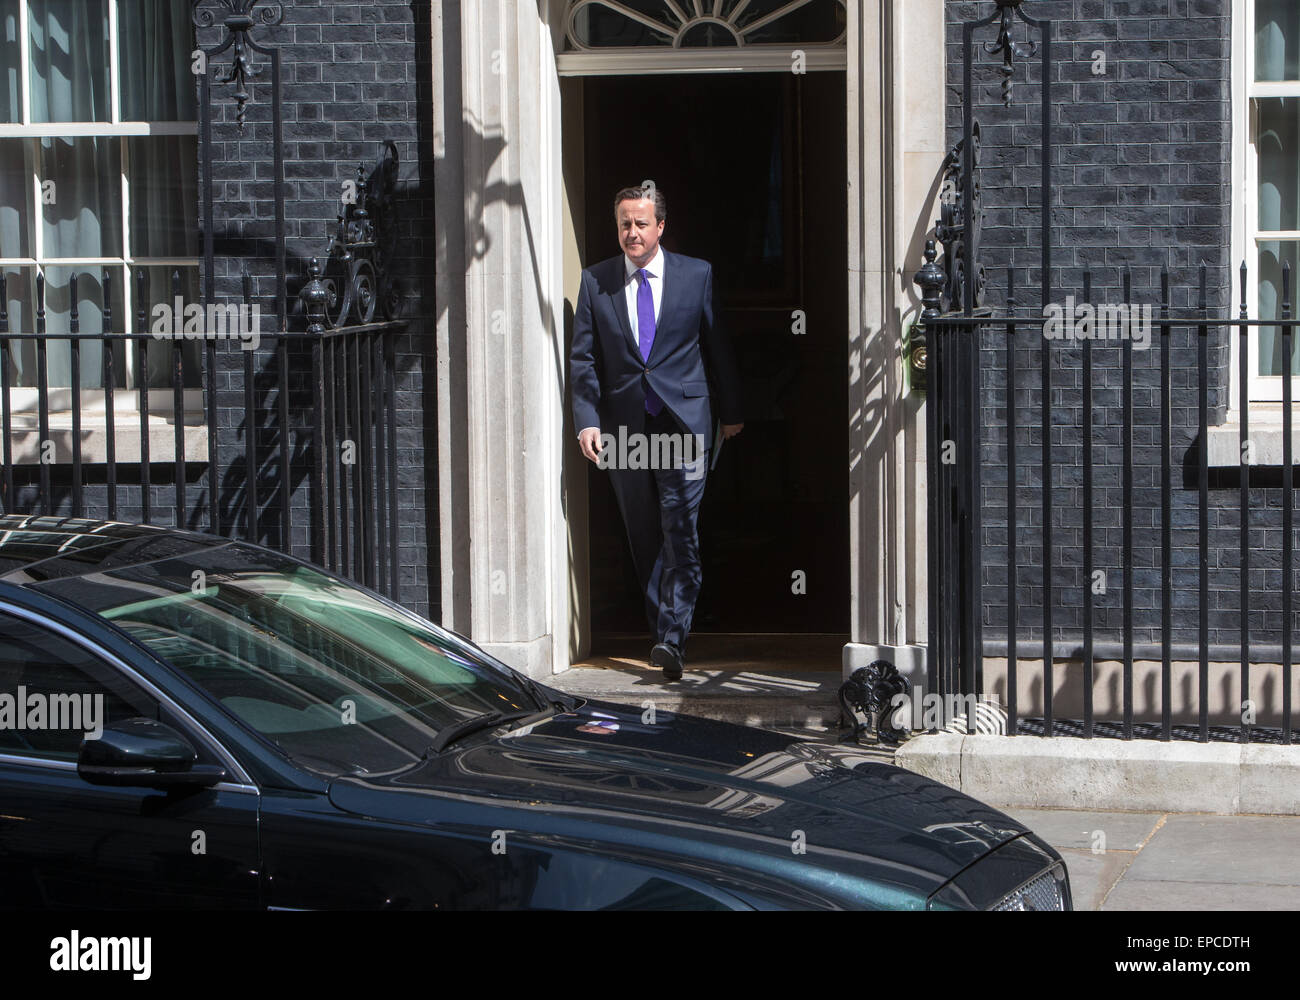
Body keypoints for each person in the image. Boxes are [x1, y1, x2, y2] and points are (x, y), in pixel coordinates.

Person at [570, 184, 743, 681]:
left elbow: (715, 343)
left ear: (660, 227)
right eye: (624, 223)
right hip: (626, 429)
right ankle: (661, 632)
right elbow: (583, 360)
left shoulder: (696, 275)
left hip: (685, 423)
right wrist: (587, 420)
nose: (632, 232)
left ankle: (672, 639)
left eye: (641, 223)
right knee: (644, 534)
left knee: (680, 528)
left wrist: (731, 411)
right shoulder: (595, 281)